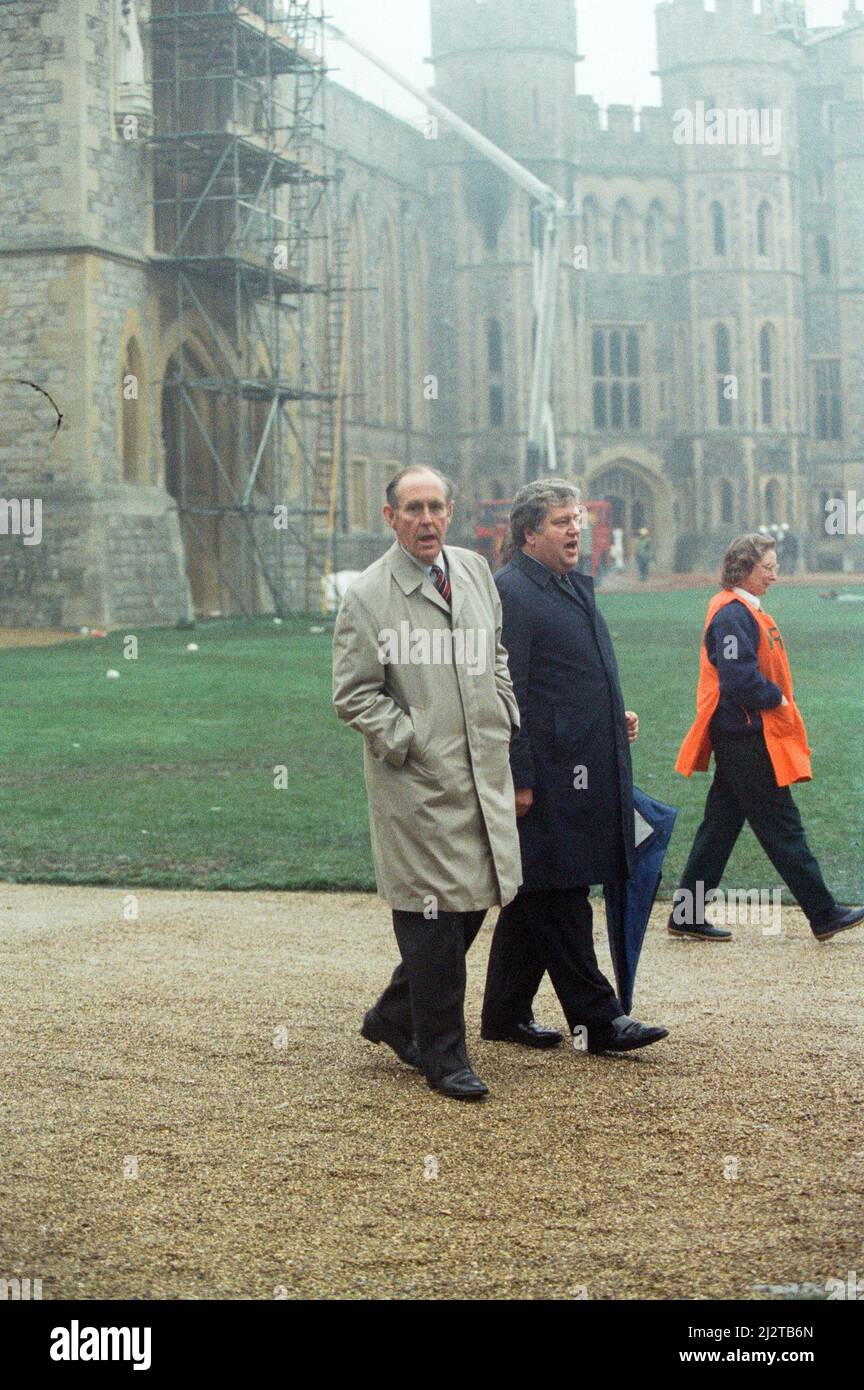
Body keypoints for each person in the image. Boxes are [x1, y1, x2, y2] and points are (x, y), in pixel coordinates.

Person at [332, 465, 526, 1101]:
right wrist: (410, 741)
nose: (425, 520)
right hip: (416, 784)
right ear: (390, 517)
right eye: (412, 509)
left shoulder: (471, 570)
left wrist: (501, 707)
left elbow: (494, 652)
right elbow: (355, 694)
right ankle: (444, 1055)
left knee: (473, 899)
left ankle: (394, 1014)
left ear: (451, 511)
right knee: (430, 916)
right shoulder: (367, 595)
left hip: (480, 770)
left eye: (435, 507)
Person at [480, 479, 669, 1055]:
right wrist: (521, 774)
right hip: (549, 774)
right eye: (562, 521)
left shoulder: (562, 584)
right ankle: (599, 1019)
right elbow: (506, 689)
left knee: (541, 888)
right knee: (562, 893)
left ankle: (504, 1012)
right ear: (530, 532)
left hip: (583, 763)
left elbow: (571, 675)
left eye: (578, 519)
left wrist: (616, 715)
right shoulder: (512, 590)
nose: (575, 530)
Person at [671, 531, 864, 941]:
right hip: (746, 737)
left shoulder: (743, 611)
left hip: (742, 734)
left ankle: (686, 913)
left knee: (719, 827)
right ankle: (823, 912)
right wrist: (776, 698)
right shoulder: (731, 614)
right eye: (769, 568)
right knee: (782, 826)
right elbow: (737, 679)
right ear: (744, 569)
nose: (775, 576)